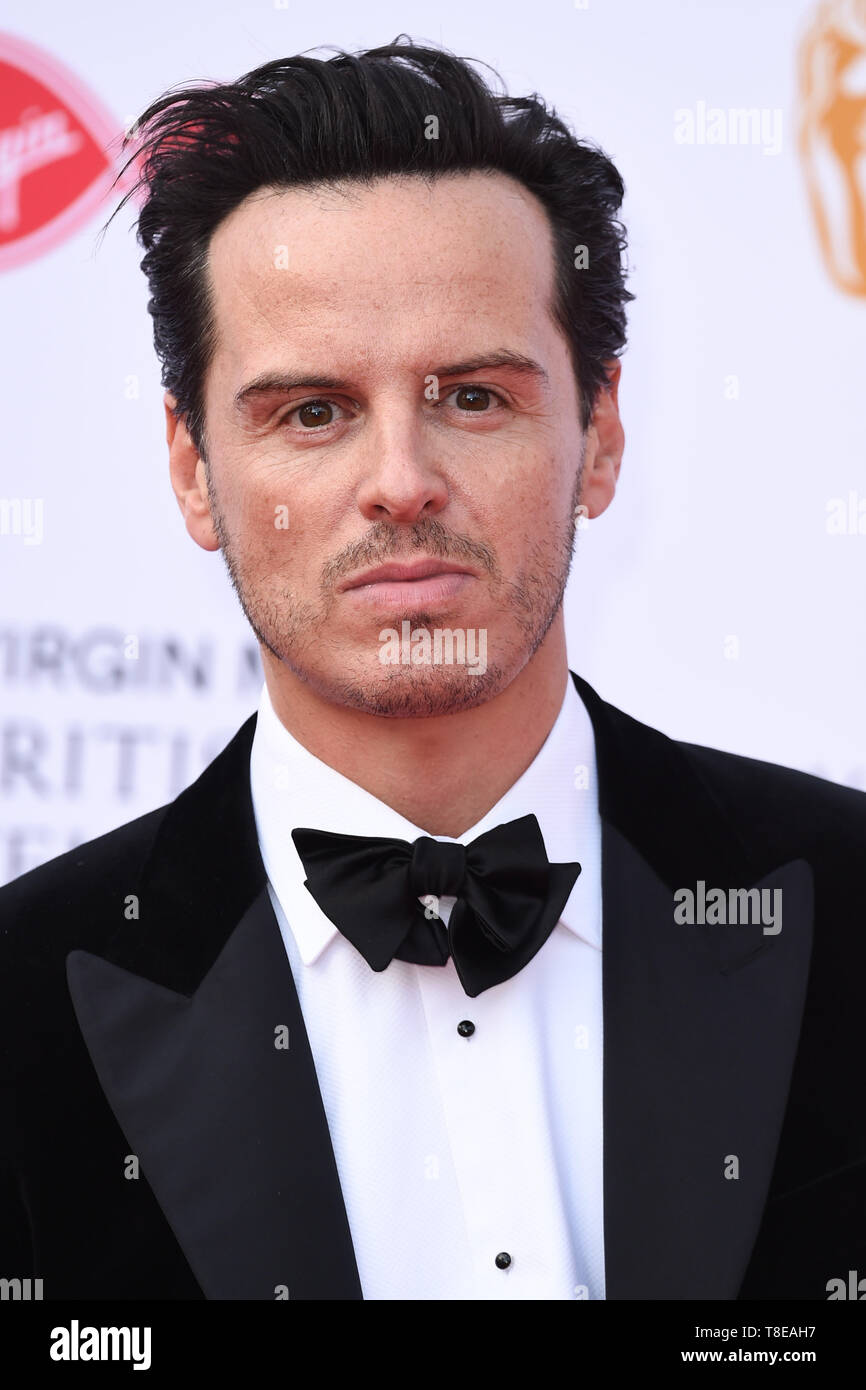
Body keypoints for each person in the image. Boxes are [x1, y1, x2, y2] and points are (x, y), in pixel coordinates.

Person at [1, 37, 864, 1303]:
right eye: (311, 411)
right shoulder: (26, 1004)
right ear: (192, 469)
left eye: (470, 397)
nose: (399, 480)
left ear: (600, 432)